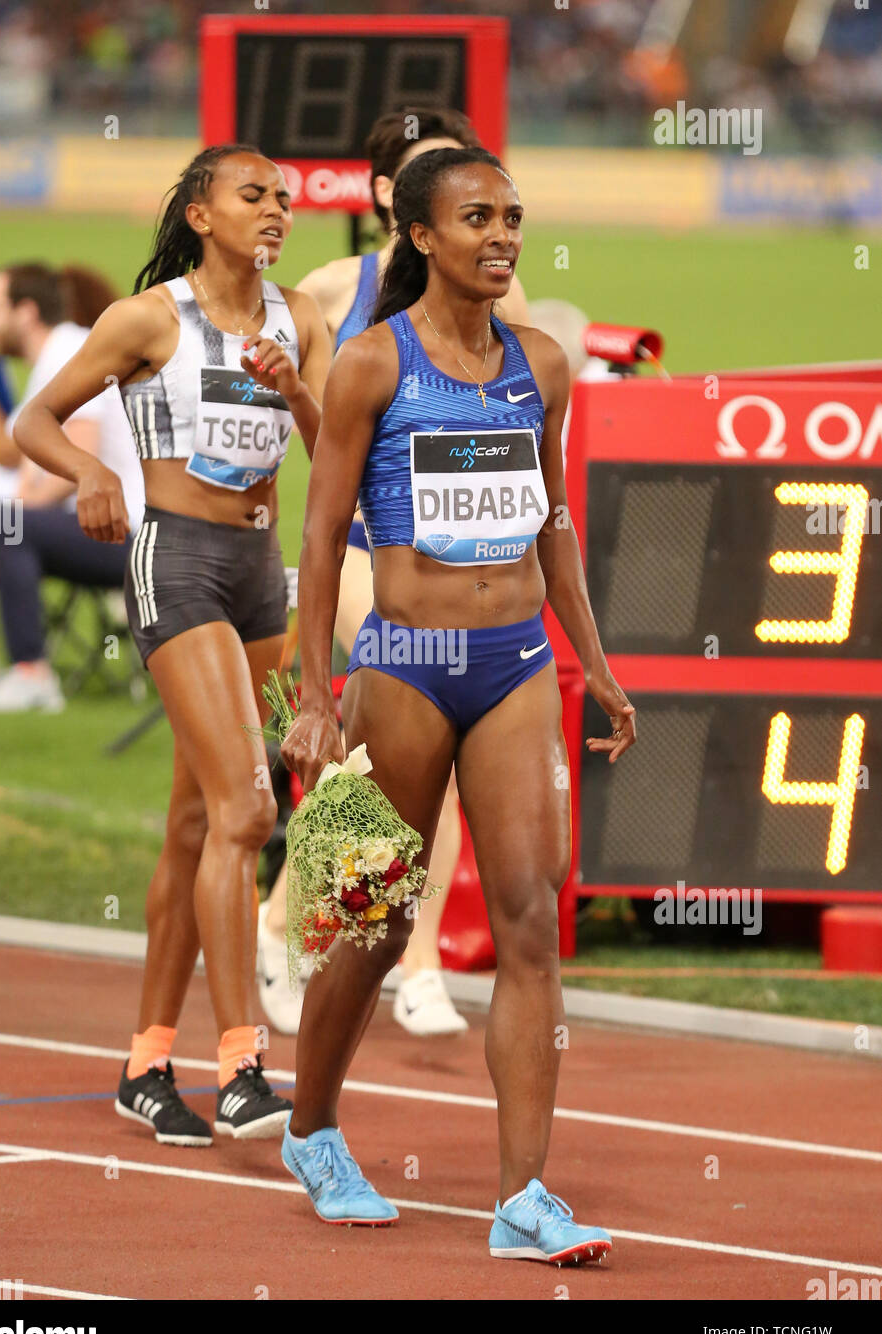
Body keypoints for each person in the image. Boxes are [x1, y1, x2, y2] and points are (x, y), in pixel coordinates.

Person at [277, 146, 636, 1262]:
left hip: (516, 661)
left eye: (513, 216)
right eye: (477, 216)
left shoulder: (542, 363)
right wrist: (309, 693)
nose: (502, 235)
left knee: (529, 918)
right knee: (373, 919)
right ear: (419, 235)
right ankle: (313, 1126)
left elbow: (554, 523)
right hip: (406, 660)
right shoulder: (372, 366)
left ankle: (522, 1197)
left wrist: (598, 660)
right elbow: (322, 532)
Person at [13, 144, 331, 1146]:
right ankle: (242, 1065)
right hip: (178, 564)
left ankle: (147, 1059)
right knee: (247, 804)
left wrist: (296, 393)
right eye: (253, 196)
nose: (277, 210)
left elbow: (337, 457)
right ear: (200, 214)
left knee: (199, 823)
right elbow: (36, 419)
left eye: (284, 197)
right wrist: (92, 477)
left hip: (260, 575)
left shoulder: (301, 319)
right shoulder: (151, 318)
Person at [258, 108, 531, 1037]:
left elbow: (524, 405)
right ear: (392, 199)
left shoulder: (506, 291)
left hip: (462, 559)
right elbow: (303, 427)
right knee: (390, 754)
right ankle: (382, 958)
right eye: (433, 177)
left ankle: (354, 943)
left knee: (401, 765)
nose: (473, 209)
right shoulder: (336, 289)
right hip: (369, 550)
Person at [0, 263, 144, 712]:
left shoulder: (70, 350)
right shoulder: (54, 355)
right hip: (86, 524)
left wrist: (15, 509)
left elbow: (81, 455)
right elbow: (10, 452)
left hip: (127, 531)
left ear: (28, 313)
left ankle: (32, 673)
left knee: (5, 523)